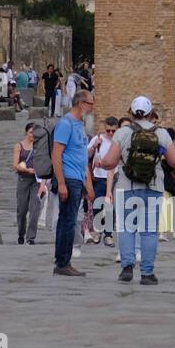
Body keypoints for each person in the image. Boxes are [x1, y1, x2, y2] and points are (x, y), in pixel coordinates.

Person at [99, 97, 175, 285]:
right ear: (150, 113)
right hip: (153, 187)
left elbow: (110, 162)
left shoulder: (122, 133)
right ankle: (147, 273)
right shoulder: (161, 134)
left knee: (126, 228)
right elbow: (174, 161)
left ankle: (127, 268)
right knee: (149, 232)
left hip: (126, 187)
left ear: (131, 112)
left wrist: (100, 160)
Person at [50, 89, 95, 277]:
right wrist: (61, 183)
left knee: (67, 221)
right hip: (68, 179)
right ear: (81, 104)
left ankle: (62, 261)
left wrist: (88, 184)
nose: (93, 107)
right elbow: (56, 155)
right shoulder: (66, 124)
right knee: (68, 222)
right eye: (90, 103)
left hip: (77, 179)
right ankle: (63, 262)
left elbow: (82, 157)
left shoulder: (80, 126)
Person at [86, 116, 118, 246]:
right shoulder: (97, 138)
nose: (110, 133)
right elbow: (87, 155)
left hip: (114, 177)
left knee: (110, 207)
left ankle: (108, 234)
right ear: (105, 128)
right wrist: (94, 146)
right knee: (97, 205)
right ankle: (98, 231)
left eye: (113, 131)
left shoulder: (118, 142)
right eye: (108, 130)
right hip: (98, 176)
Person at [12, 123, 41, 244]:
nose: (32, 135)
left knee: (35, 209)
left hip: (36, 180)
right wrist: (25, 170)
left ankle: (31, 237)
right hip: (23, 179)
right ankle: (21, 232)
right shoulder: (19, 146)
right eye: (30, 132)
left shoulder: (40, 146)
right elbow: (15, 165)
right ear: (26, 133)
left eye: (35, 133)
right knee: (22, 210)